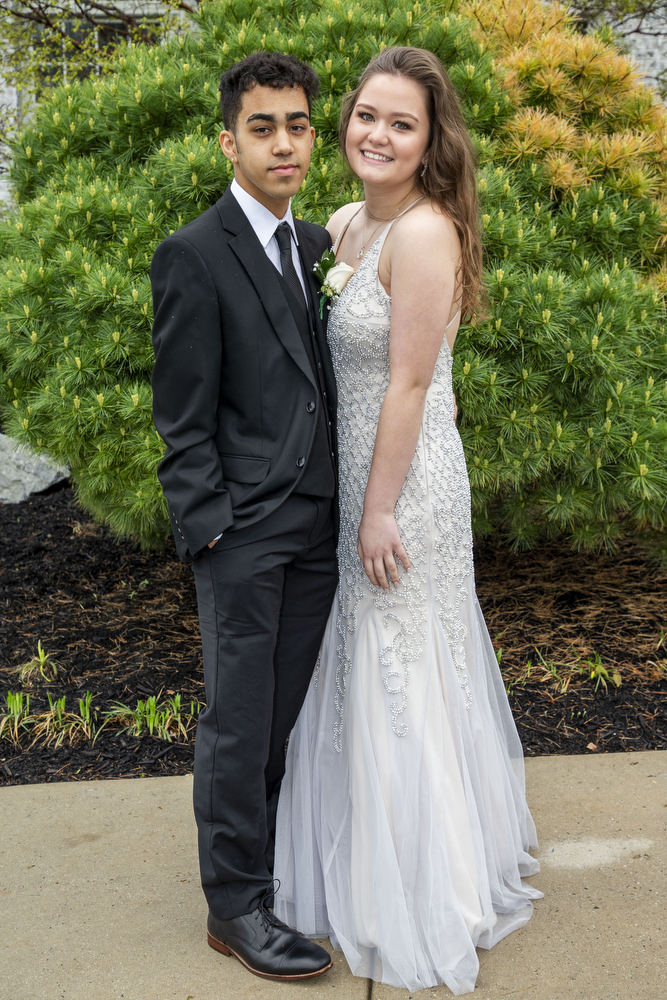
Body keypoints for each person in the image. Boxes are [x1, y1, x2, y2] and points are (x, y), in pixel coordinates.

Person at [274, 46, 542, 995]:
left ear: (430, 143)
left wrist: (379, 507)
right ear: (343, 122)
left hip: (404, 487)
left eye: (401, 123)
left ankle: (419, 888)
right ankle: (359, 855)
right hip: (353, 477)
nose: (376, 135)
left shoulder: (423, 233)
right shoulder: (344, 223)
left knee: (399, 663)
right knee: (359, 657)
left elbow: (412, 382)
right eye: (365, 116)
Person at [150, 51, 339, 981]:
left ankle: (268, 874)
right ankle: (235, 907)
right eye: (262, 127)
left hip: (319, 528)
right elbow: (181, 419)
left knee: (285, 719)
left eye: (297, 124)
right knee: (238, 720)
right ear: (229, 141)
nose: (283, 142)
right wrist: (213, 530)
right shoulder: (193, 254)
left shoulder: (316, 250)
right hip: (245, 534)